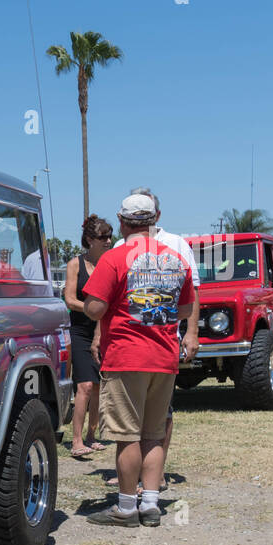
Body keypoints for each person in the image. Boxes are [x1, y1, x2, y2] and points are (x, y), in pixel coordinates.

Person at [82, 193, 195, 527]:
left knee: (127, 436)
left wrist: (92, 305)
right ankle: (151, 504)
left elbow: (95, 308)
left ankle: (127, 507)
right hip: (164, 357)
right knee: (154, 434)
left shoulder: (114, 259)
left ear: (121, 222)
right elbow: (186, 309)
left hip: (126, 356)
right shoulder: (175, 258)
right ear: (154, 219)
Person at [114, 187, 201, 490]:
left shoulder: (176, 244)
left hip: (143, 349)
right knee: (146, 425)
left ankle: (150, 480)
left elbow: (193, 293)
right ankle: (145, 488)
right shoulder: (120, 247)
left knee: (152, 420)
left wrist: (191, 332)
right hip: (150, 349)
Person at [63, 215, 114, 456]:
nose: (109, 241)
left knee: (96, 387)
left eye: (110, 236)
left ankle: (92, 436)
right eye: (104, 237)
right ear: (90, 240)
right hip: (81, 331)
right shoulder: (76, 264)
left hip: (105, 329)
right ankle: (76, 441)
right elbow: (69, 299)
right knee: (82, 386)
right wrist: (91, 309)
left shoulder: (111, 263)